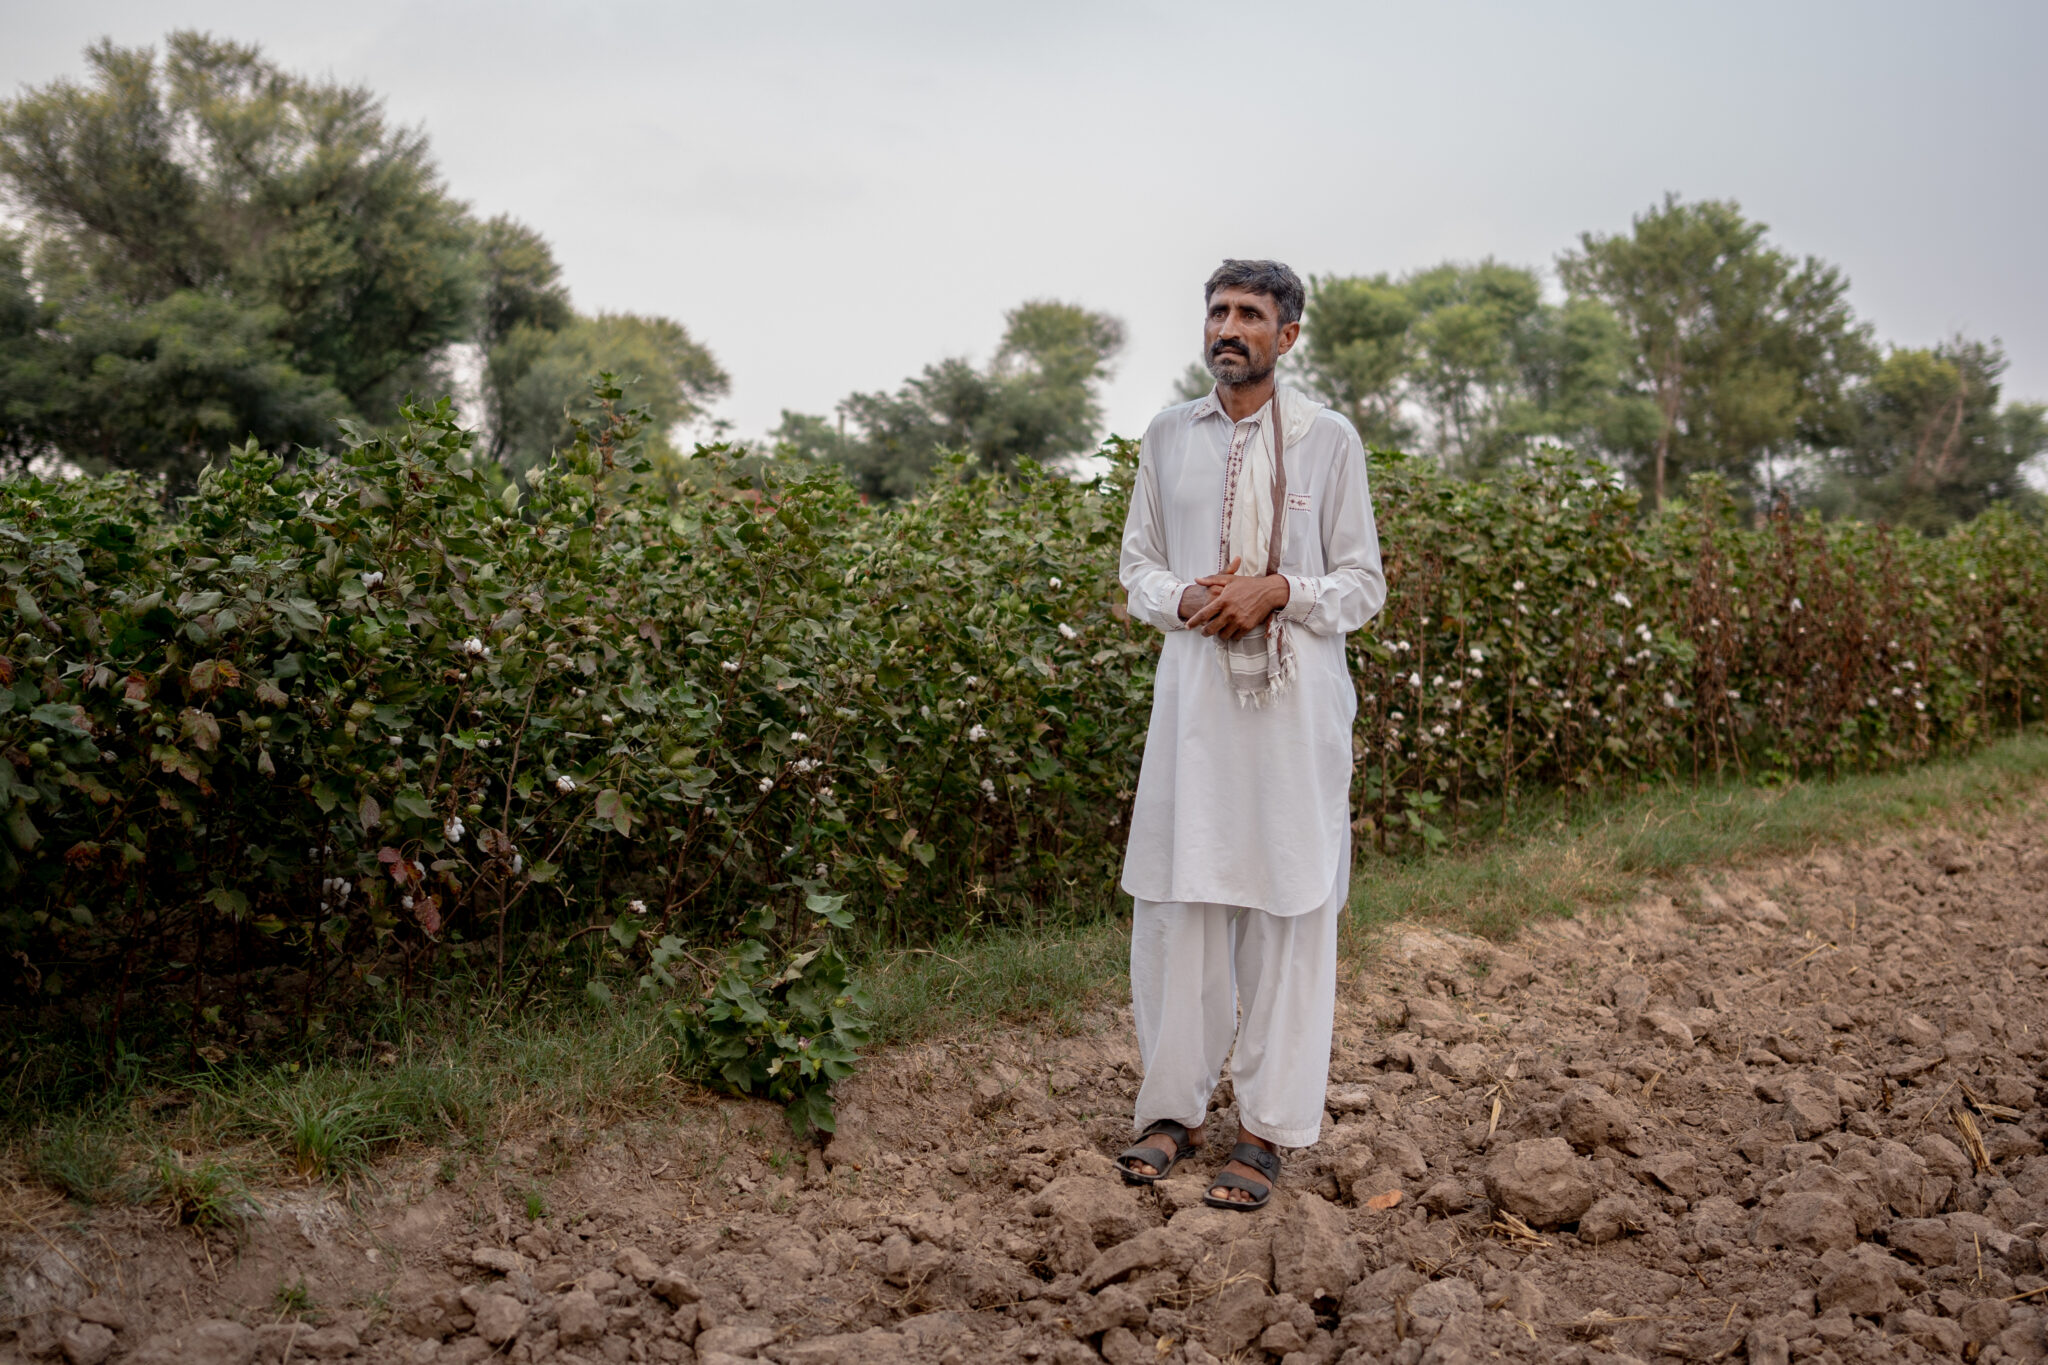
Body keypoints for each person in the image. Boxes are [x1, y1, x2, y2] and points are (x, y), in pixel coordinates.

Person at [1113, 259, 1386, 1209]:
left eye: (1251, 315)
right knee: (1180, 905)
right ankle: (1171, 1111)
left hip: (1293, 713)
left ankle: (1267, 1128)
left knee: (1287, 905)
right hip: (1193, 707)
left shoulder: (1327, 441)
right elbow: (1139, 567)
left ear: (1288, 335)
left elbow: (1362, 584)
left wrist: (1280, 589)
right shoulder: (1167, 437)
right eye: (1219, 311)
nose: (1229, 327)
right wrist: (1191, 594)